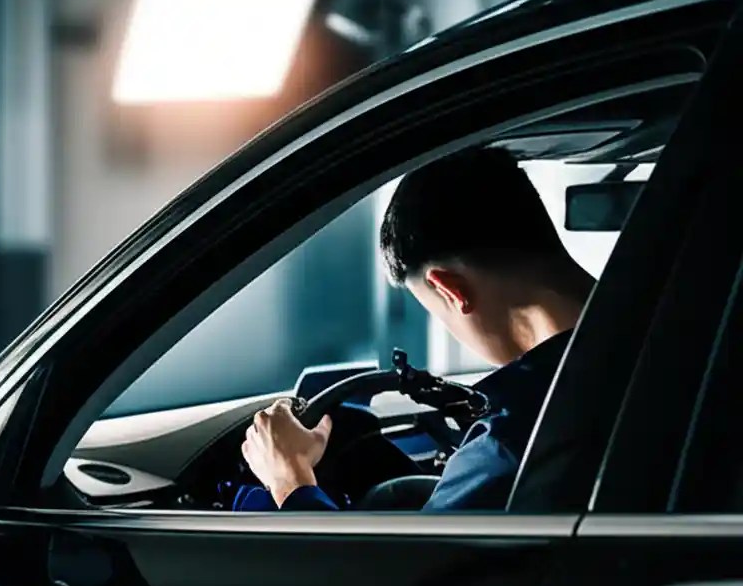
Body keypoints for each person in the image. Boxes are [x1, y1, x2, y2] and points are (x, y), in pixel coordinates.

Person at [238, 148, 596, 512]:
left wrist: (289, 478)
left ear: (450, 291)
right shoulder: (642, 348)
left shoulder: (513, 443)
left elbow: (390, 571)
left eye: (436, 313)